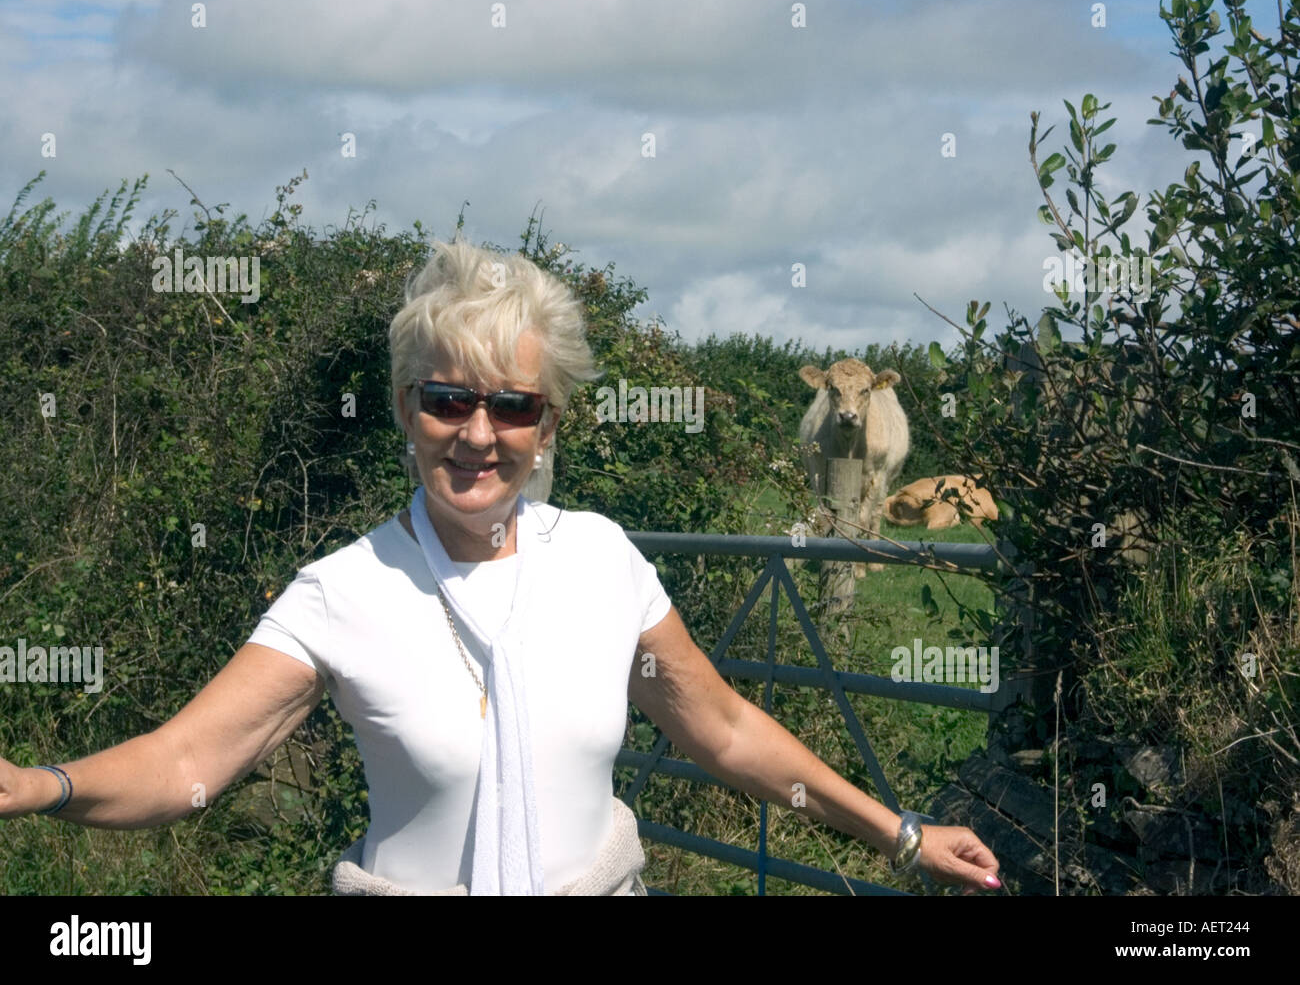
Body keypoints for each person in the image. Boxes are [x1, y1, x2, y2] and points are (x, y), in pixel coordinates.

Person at [0, 239, 1001, 896]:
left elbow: (729, 731)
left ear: (548, 421)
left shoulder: (602, 559)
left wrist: (901, 832)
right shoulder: (339, 590)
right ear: (404, 407)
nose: (478, 434)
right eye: (446, 399)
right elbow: (186, 765)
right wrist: (39, 783)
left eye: (512, 405)